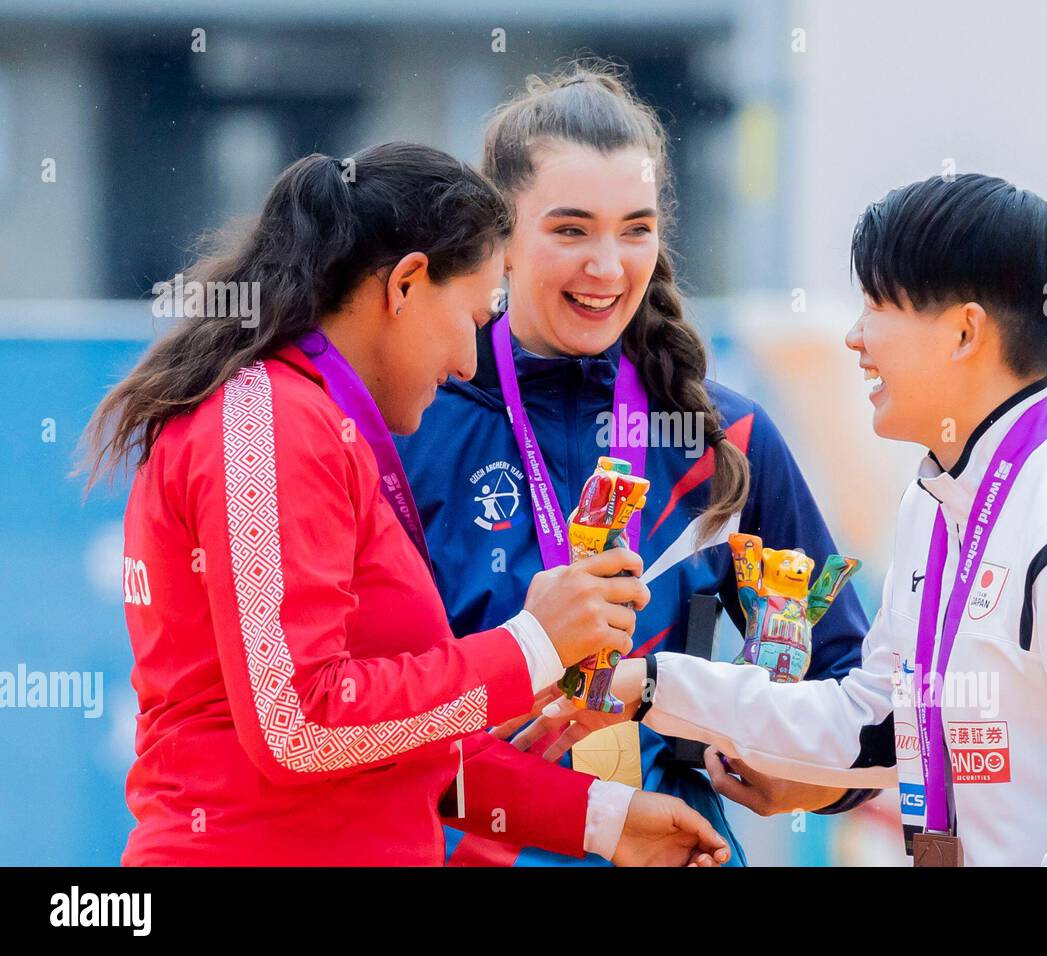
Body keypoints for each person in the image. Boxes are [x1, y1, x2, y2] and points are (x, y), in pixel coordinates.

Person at [526, 173, 1047, 866]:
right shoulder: (936, 503)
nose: (856, 339)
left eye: (878, 307)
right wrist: (646, 686)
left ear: (963, 332)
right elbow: (875, 722)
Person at [80, 141, 730, 866]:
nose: (469, 363)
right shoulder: (273, 419)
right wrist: (532, 643)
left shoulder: (315, 421)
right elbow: (300, 726)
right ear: (406, 285)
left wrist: (602, 821)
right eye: (475, 319)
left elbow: (394, 748)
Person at [395, 61, 873, 867]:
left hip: (676, 850)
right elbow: (357, 707)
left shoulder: (725, 439)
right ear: (499, 236)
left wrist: (807, 781)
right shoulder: (412, 422)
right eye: (571, 229)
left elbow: (851, 686)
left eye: (636, 229)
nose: (608, 267)